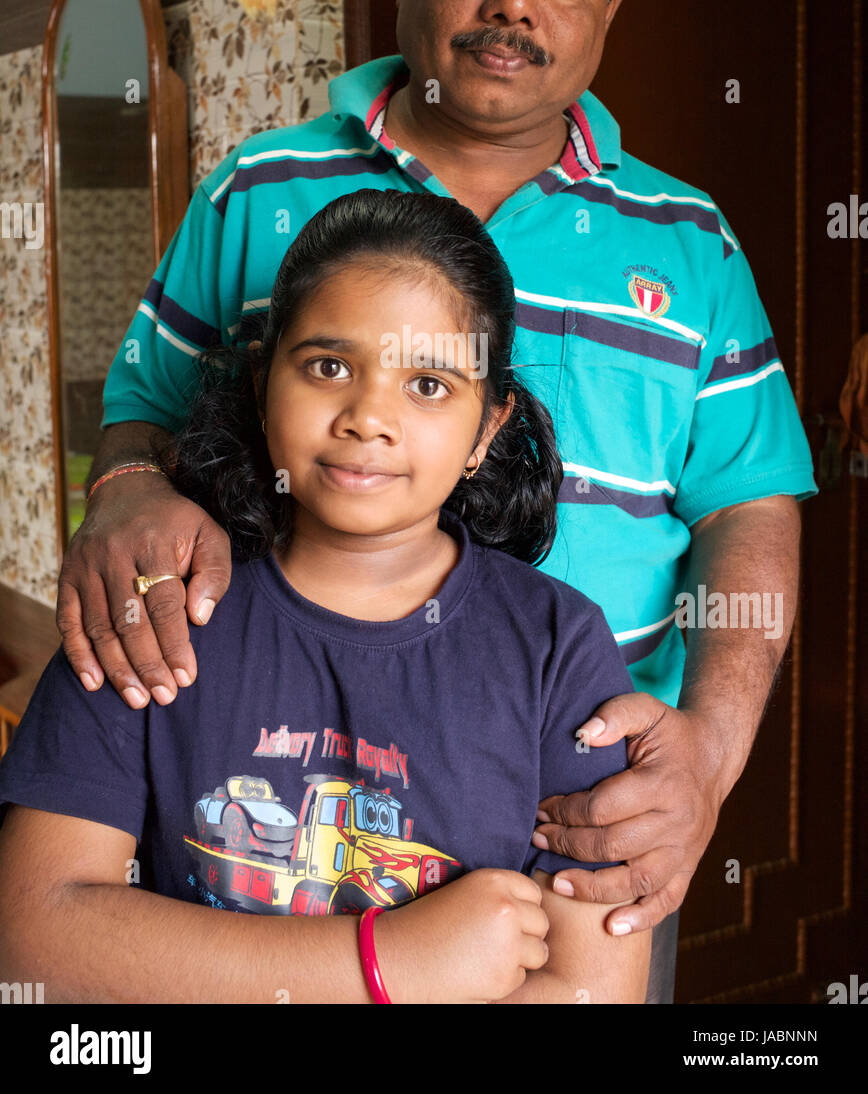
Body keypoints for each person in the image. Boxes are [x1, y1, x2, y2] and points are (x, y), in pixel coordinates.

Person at [51, 0, 815, 1002]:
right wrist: (131, 486)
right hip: (260, 810)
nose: (514, 2)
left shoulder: (691, 245)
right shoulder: (261, 187)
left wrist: (710, 753)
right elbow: (143, 408)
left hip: (576, 825)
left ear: (610, 1)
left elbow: (751, 508)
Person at [0, 190, 651, 1005]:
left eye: (428, 383)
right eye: (329, 366)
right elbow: (33, 939)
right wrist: (383, 964)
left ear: (489, 428)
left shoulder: (557, 646)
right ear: (264, 379)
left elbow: (590, 989)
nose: (368, 416)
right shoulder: (154, 608)